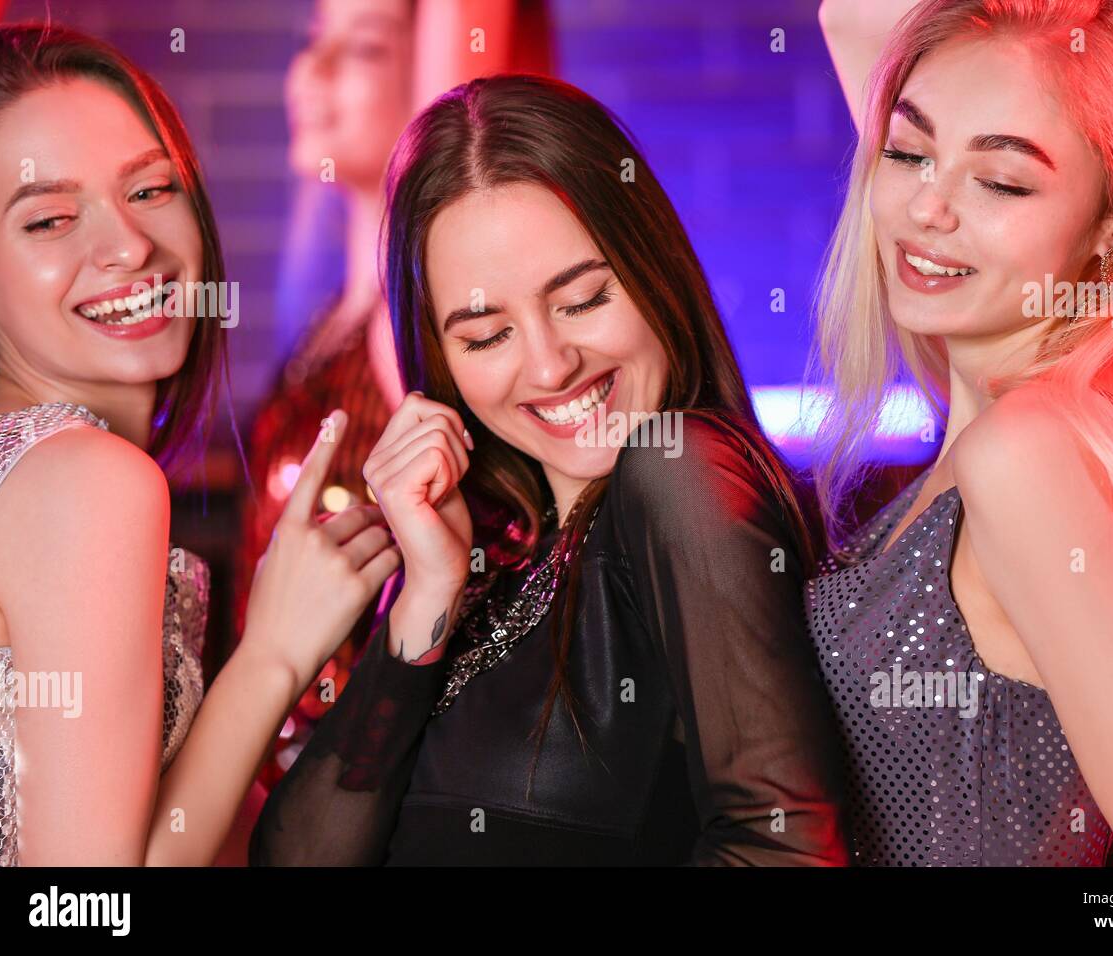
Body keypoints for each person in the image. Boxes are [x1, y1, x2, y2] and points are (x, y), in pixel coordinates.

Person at [250, 74, 848, 866]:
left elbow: (788, 851)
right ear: (441, 364)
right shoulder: (492, 565)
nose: (551, 364)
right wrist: (424, 595)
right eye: (487, 335)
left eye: (582, 299)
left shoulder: (680, 471)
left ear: (651, 266)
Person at [806, 0, 1113, 865]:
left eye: (1002, 182)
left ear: (1108, 234)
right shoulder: (1005, 437)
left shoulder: (1031, 457)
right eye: (909, 153)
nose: (929, 208)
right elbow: (858, 16)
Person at [0, 23, 397, 865]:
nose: (130, 247)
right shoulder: (83, 484)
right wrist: (273, 652)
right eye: (51, 219)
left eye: (150, 190)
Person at [236, 0, 552, 790]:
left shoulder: (414, 300)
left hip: (377, 784)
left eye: (366, 47)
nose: (316, 73)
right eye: (314, 42)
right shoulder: (333, 318)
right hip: (285, 788)